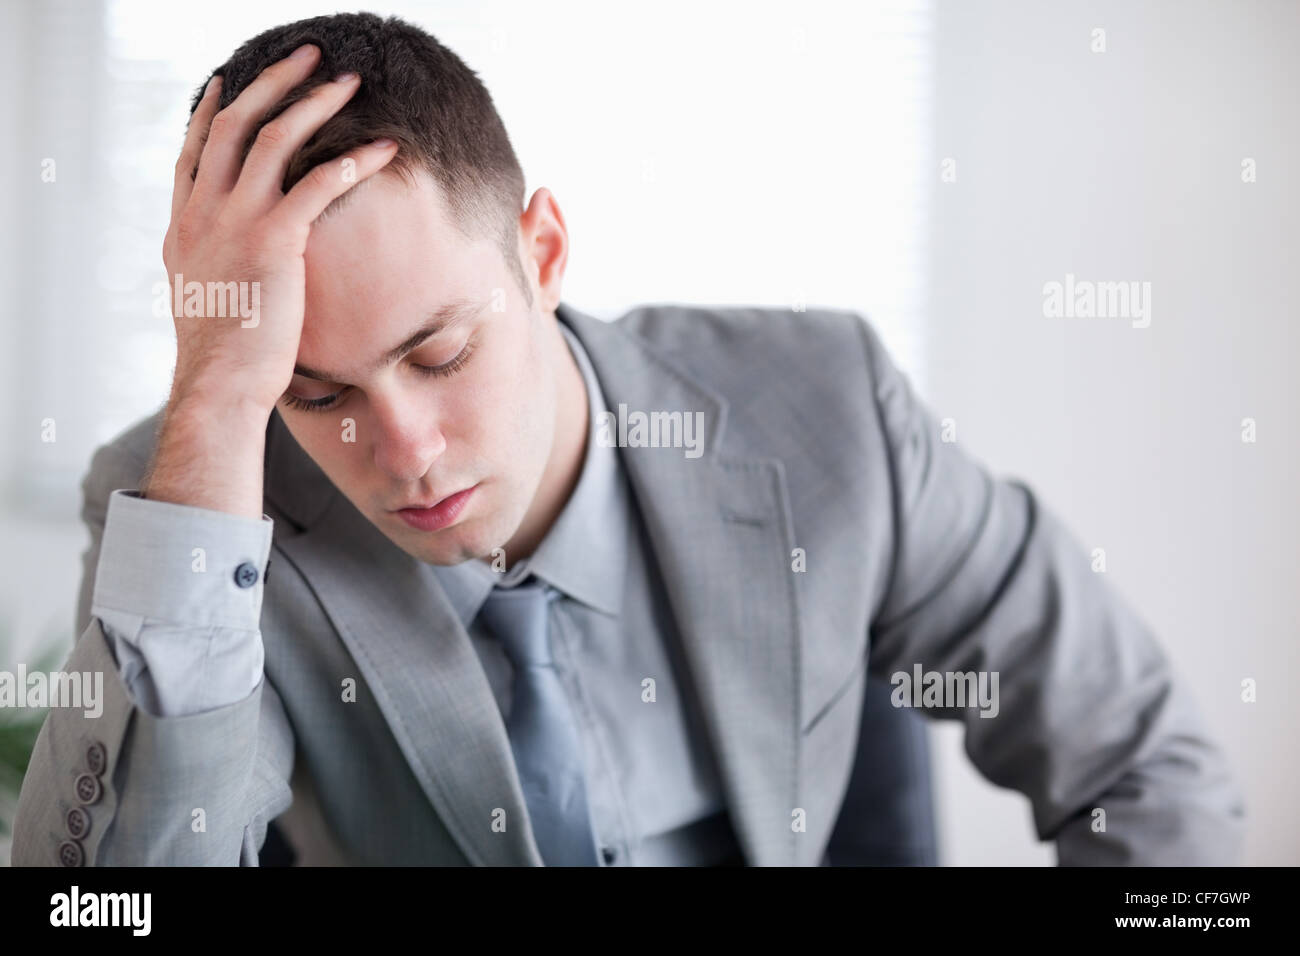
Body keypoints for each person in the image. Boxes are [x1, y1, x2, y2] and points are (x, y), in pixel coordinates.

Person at [13, 12, 1243, 867]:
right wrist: (220, 402)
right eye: (314, 391)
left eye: (441, 353)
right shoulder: (197, 496)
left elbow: (1141, 761)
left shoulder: (828, 408)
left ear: (543, 252)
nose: (407, 449)